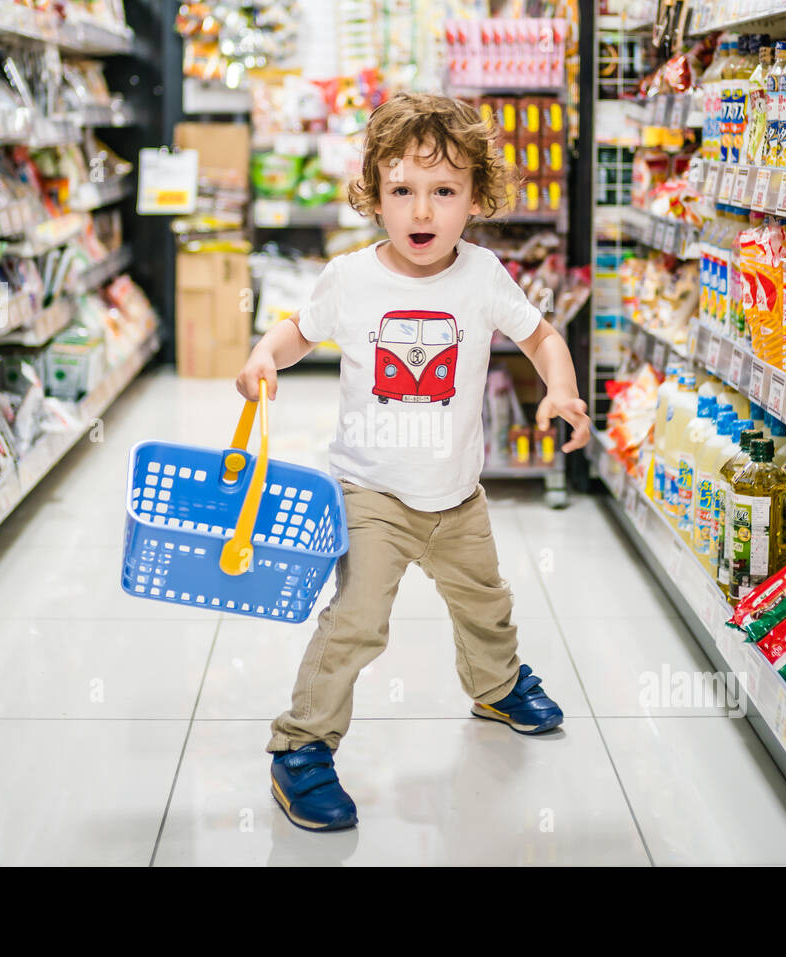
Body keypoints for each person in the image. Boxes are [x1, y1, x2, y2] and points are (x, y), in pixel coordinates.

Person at [235, 91, 591, 832]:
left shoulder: (484, 274)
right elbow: (297, 332)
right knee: (357, 622)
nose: (421, 212)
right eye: (402, 191)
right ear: (374, 194)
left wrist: (561, 387)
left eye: (443, 191)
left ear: (475, 198)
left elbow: (543, 337)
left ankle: (495, 684)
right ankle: (300, 745)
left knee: (485, 602)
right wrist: (265, 356)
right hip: (372, 494)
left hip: (457, 494)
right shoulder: (350, 278)